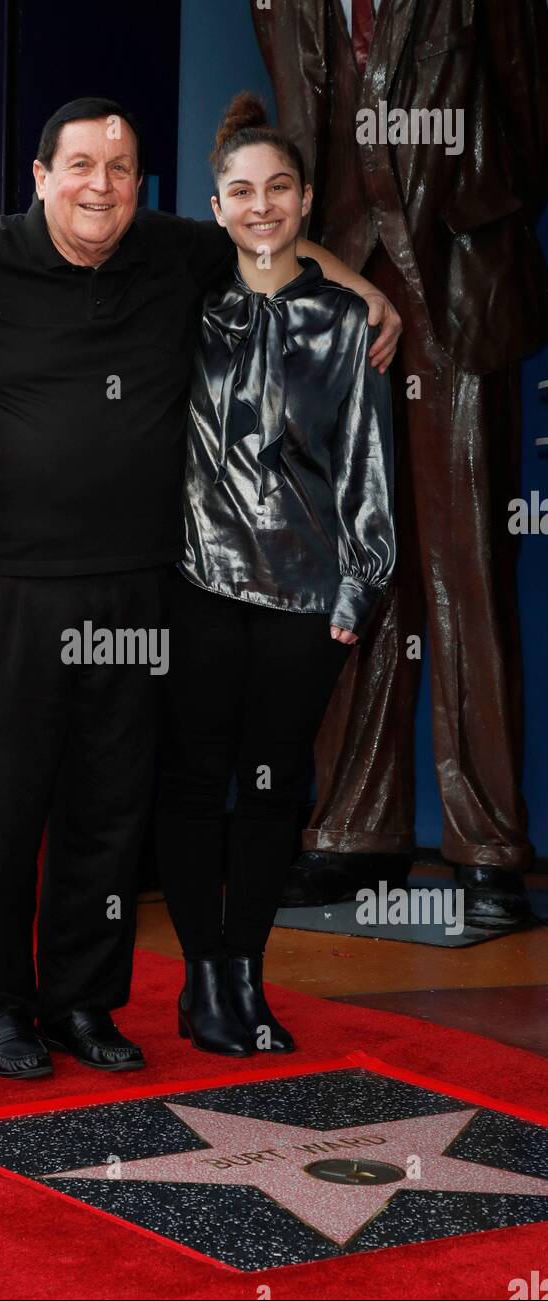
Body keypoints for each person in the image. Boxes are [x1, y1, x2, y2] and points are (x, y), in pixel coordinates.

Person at [0, 98, 401, 1083]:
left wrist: (367, 293)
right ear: (39, 177)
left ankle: (82, 1002)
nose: (101, 185)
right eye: (80, 165)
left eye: (122, 168)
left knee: (107, 806)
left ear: (141, 186)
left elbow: (269, 235)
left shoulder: (173, 253)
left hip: (137, 591)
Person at [252, 0, 548, 928]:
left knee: (466, 572)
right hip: (335, 283)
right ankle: (352, 828)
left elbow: (531, 114)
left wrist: (470, 209)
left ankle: (488, 843)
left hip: (457, 284)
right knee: (349, 568)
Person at [156, 94, 394, 1056]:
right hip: (195, 585)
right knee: (190, 781)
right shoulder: (186, 306)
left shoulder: (346, 321)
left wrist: (359, 587)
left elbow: (365, 464)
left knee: (270, 786)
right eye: (241, 192)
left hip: (304, 597)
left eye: (279, 189)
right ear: (217, 207)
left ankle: (247, 971)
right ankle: (201, 974)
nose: (261, 207)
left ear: (304, 203)